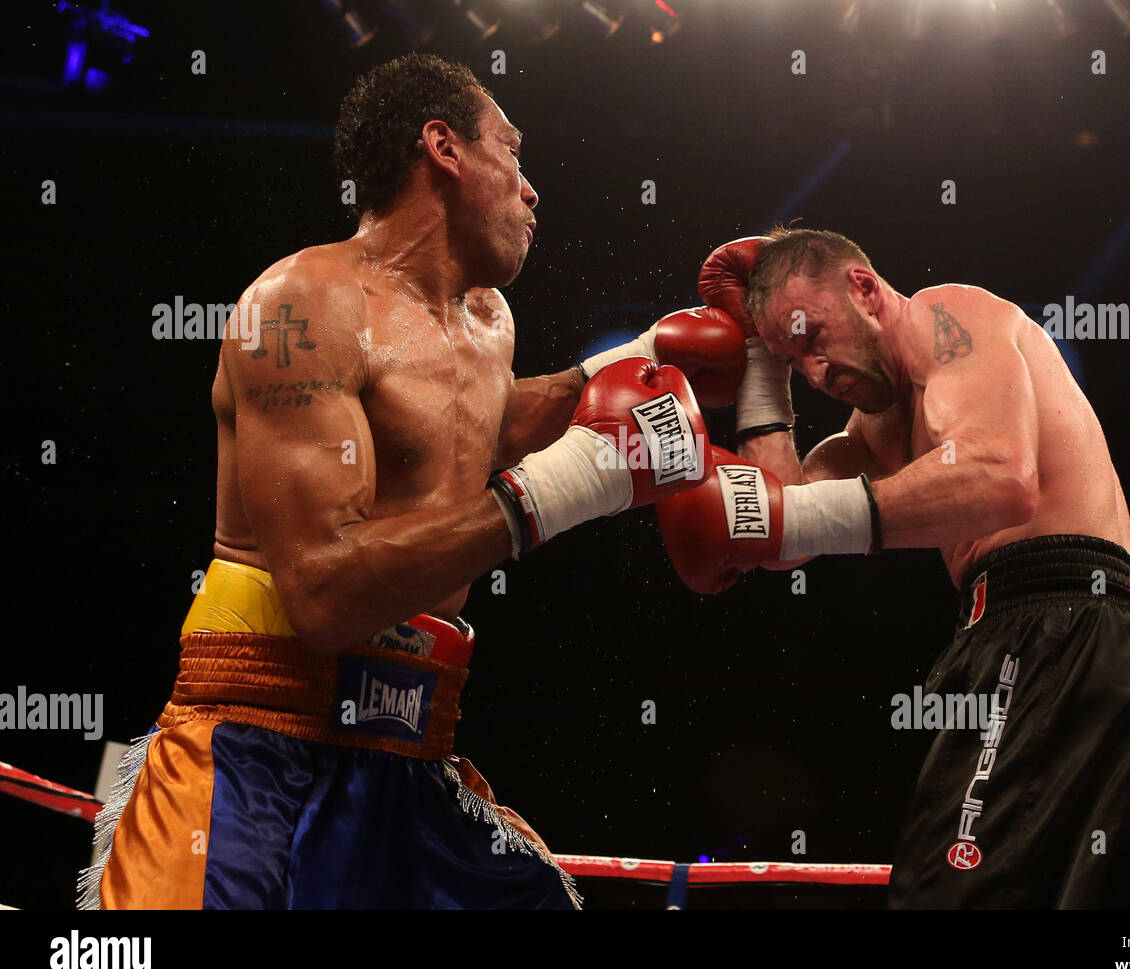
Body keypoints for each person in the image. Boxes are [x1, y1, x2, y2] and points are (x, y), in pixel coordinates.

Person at [79, 53, 744, 910]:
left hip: (410, 740)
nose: (533, 190)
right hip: (259, 740)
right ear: (445, 148)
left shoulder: (488, 320)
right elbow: (323, 593)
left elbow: (465, 436)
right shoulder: (302, 304)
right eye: (514, 151)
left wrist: (643, 360)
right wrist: (578, 479)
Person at [658, 229, 1130, 907]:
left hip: (1052, 641)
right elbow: (784, 528)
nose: (817, 370)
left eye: (814, 336)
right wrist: (759, 366)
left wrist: (791, 520)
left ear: (863, 289)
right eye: (795, 360)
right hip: (1118, 658)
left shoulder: (951, 316)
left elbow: (999, 477)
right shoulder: (875, 429)